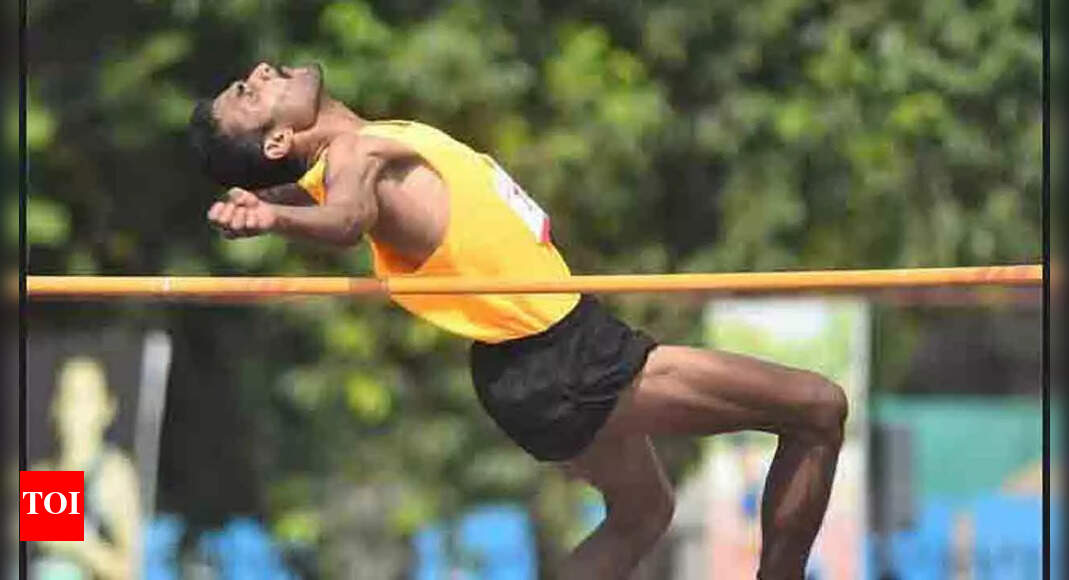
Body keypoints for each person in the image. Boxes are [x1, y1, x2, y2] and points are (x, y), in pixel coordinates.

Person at [188, 62, 848, 579]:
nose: (265, 70)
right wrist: (274, 217)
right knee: (816, 408)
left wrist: (264, 198)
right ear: (277, 136)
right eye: (249, 91)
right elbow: (345, 219)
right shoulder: (355, 159)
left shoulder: (354, 149)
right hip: (559, 358)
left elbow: (314, 191)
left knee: (641, 514)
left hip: (531, 360)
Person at [32, 357, 141, 580]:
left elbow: (132, 570)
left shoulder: (115, 474)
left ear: (107, 408)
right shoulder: (41, 474)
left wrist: (81, 543)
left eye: (86, 396)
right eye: (69, 394)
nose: (76, 406)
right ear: (56, 407)